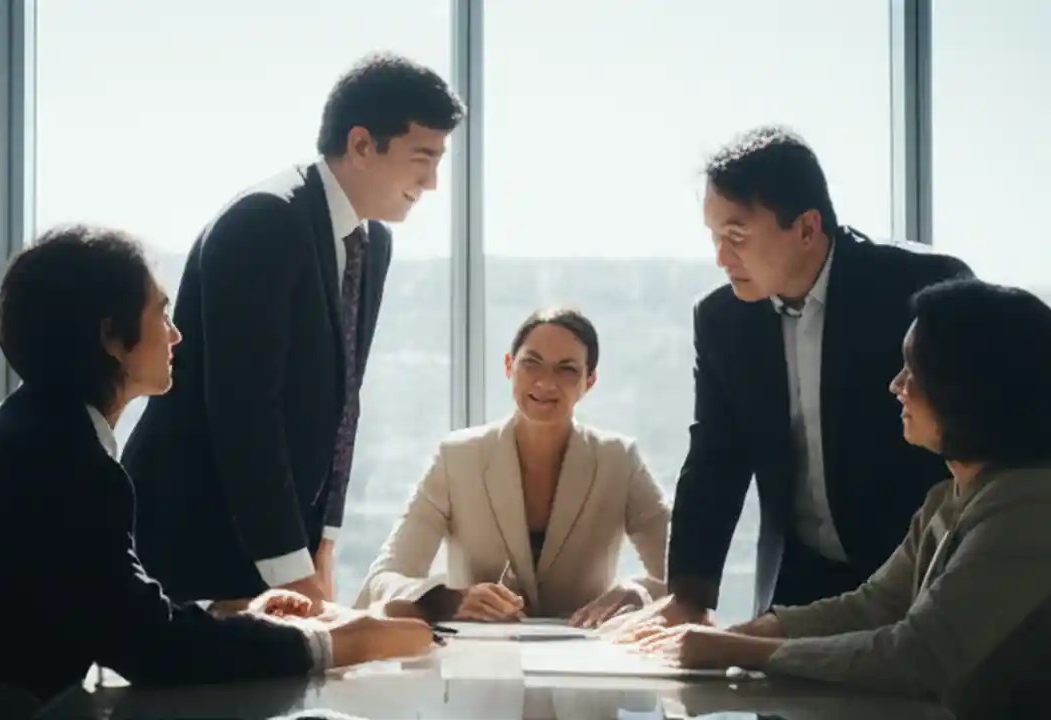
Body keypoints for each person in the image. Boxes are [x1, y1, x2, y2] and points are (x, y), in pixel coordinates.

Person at [0, 226, 432, 701]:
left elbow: (113, 609)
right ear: (112, 338)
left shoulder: (23, 433)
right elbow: (153, 651)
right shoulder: (65, 463)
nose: (176, 335)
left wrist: (233, 616)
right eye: (161, 313)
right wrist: (333, 643)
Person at [121, 53, 466, 606]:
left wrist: (322, 541)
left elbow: (343, 401)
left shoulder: (373, 241)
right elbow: (244, 411)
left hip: (275, 543)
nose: (431, 182)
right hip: (192, 539)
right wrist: (287, 567)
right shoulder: (264, 221)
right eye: (422, 158)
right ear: (361, 145)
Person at [604, 126, 972, 637]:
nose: (721, 258)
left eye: (736, 236)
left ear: (805, 228)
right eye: (714, 238)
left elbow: (976, 432)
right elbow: (714, 458)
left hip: (915, 576)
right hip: (797, 581)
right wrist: (687, 595)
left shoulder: (918, 288)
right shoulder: (722, 320)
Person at [627, 279, 1051, 716]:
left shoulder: (1029, 508)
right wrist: (753, 631)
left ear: (969, 388)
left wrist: (745, 651)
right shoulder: (948, 499)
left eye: (915, 370)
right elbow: (872, 607)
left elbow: (917, 655)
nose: (896, 385)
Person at [355, 309, 670, 627]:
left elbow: (685, 574)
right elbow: (382, 580)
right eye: (531, 363)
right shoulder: (458, 458)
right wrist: (448, 598)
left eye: (567, 369)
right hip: (477, 660)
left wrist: (638, 591)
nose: (546, 382)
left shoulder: (618, 459)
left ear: (590, 381)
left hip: (583, 662)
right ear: (509, 366)